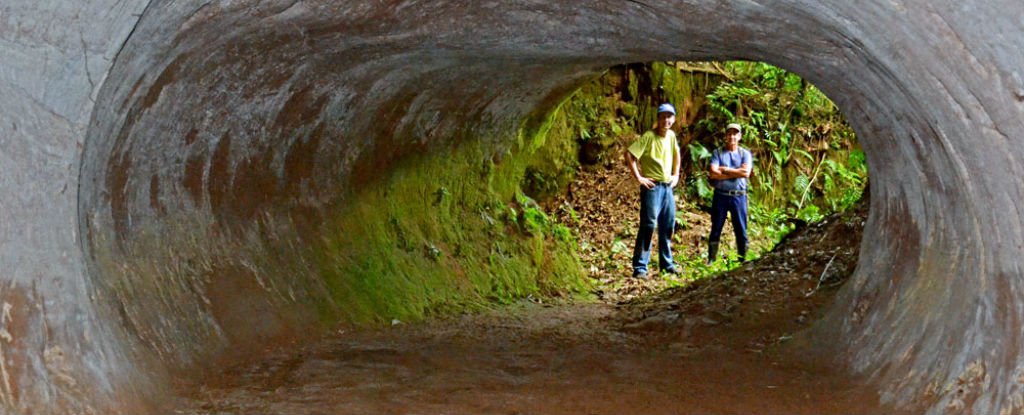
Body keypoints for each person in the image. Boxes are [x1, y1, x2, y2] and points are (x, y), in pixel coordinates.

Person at [624, 103, 681, 279]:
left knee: (668, 224)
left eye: (669, 117)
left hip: (667, 187)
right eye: (663, 117)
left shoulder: (671, 136)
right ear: (658, 119)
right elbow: (630, 155)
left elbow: (676, 155)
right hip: (653, 187)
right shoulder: (649, 136)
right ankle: (640, 267)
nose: (666, 120)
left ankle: (667, 264)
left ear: (673, 119)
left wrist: (676, 174)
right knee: (649, 224)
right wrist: (639, 177)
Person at [707, 123, 753, 263]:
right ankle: (711, 260)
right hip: (720, 195)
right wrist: (735, 173)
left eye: (735, 134)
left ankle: (742, 260)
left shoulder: (744, 154)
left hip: (739, 196)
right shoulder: (718, 153)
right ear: (726, 136)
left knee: (741, 229)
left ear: (739, 136)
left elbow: (745, 173)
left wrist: (725, 170)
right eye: (729, 134)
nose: (732, 136)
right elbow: (713, 173)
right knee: (716, 228)